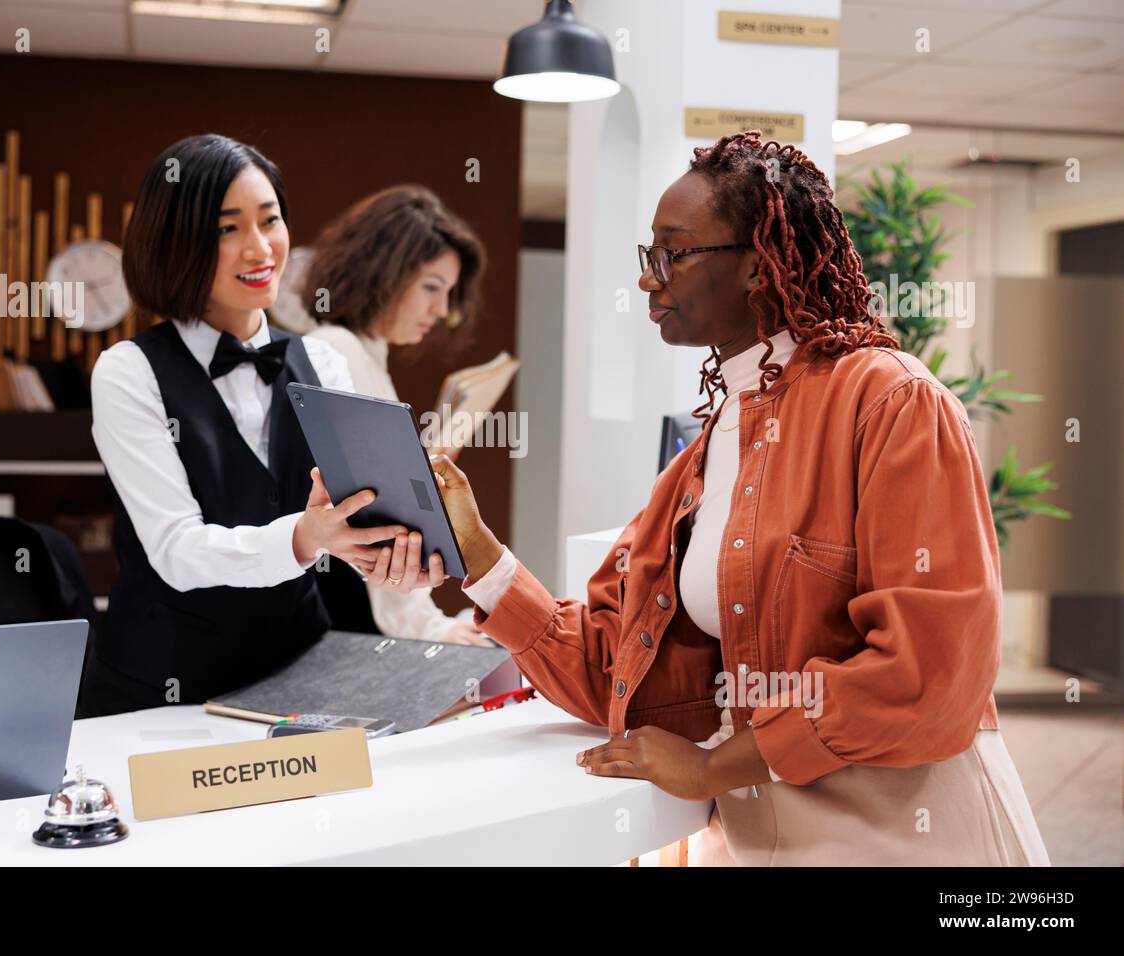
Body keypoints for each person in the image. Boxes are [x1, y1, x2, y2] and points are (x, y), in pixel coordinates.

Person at [393, 131, 1049, 866]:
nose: (650, 279)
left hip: (902, 830)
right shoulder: (706, 454)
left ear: (759, 266)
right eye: (651, 256)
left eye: (673, 253)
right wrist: (478, 554)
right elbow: (616, 671)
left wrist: (713, 767)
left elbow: (931, 676)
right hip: (754, 831)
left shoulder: (893, 402)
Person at [82, 134, 434, 716]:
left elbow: (354, 520)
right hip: (162, 690)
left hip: (300, 677)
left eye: (269, 221)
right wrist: (306, 536)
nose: (260, 248)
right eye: (228, 229)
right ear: (175, 243)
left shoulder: (322, 363)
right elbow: (176, 550)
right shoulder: (129, 372)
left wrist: (392, 558)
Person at [300, 185, 491, 647]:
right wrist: (433, 629)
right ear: (383, 272)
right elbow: (369, 521)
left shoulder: (362, 355)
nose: (441, 310)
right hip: (341, 617)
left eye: (447, 294)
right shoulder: (335, 353)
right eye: (431, 288)